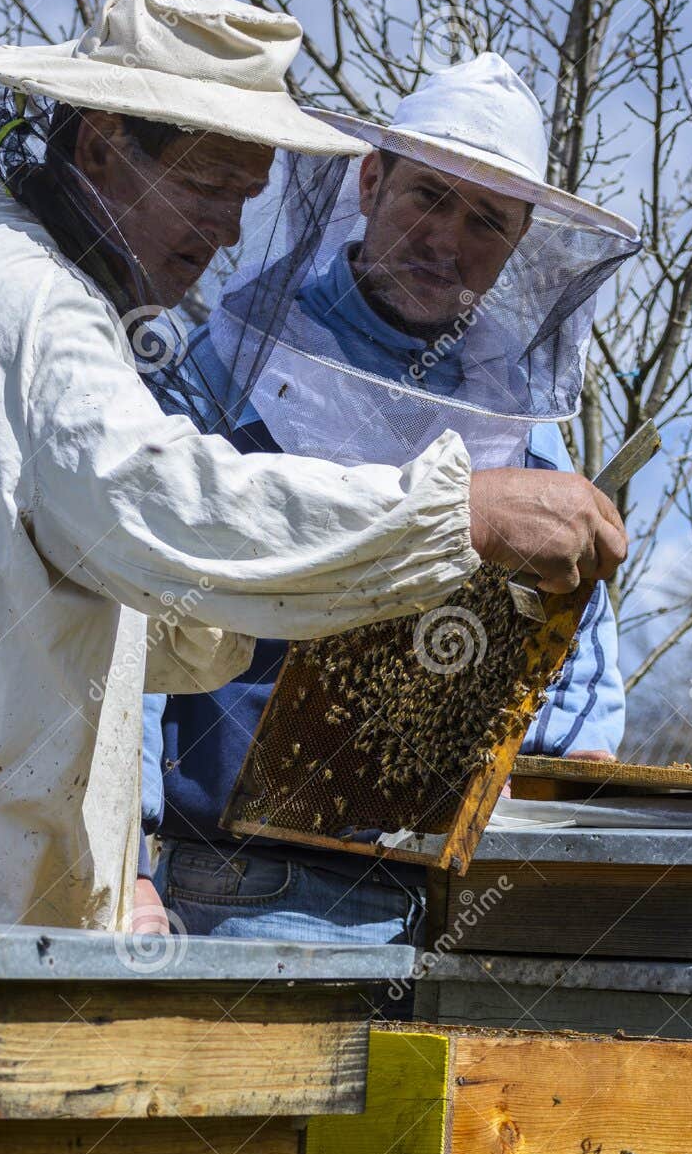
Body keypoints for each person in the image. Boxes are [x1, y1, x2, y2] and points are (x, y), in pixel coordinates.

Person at [0, 0, 625, 932]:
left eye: (244, 198)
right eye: (207, 190)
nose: (223, 232)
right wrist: (457, 515)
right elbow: (159, 509)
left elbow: (104, 594)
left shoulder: (21, 274)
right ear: (99, 148)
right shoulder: (28, 302)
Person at [143, 53, 638, 943]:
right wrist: (126, 865)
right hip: (239, 888)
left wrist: (579, 804)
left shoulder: (520, 420)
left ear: (520, 241)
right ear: (370, 182)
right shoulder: (227, 377)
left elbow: (579, 658)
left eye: (486, 220)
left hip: (446, 893)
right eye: (427, 198)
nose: (447, 240)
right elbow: (126, 610)